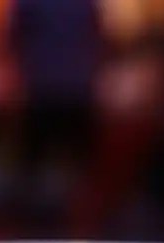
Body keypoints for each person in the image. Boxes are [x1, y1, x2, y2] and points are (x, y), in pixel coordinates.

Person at [9, 0, 103, 196]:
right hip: (70, 83)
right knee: (72, 153)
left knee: (37, 153)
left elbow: (14, 37)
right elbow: (98, 36)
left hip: (47, 82)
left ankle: (33, 199)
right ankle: (74, 201)